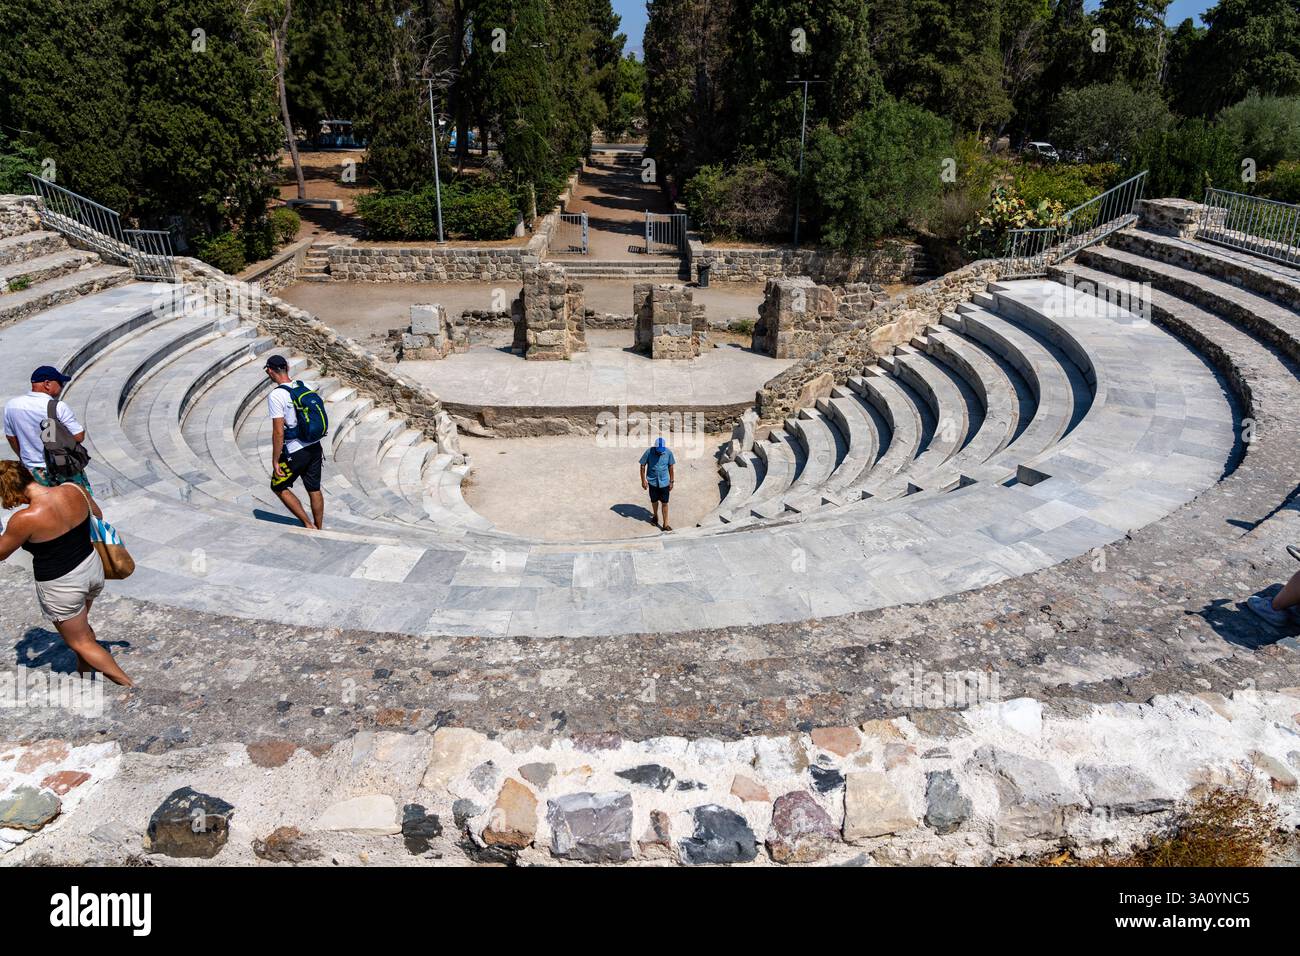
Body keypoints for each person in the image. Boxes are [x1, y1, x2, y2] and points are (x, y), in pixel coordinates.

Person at [0, 460, 132, 686]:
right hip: (91, 568)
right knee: (81, 626)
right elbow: (97, 515)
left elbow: (1, 553)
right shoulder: (74, 489)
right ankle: (84, 671)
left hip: (62, 585)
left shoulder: (24, 519)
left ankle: (128, 685)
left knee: (80, 641)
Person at [3, 366, 93, 494]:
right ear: (47, 384)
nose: (61, 387)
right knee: (81, 504)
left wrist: (24, 458)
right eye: (60, 383)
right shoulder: (57, 407)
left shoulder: (11, 406)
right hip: (61, 467)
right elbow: (78, 436)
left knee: (49, 509)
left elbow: (11, 438)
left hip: (33, 471)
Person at [264, 354, 324, 530]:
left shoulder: (276, 396)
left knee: (278, 486)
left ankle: (308, 524)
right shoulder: (303, 385)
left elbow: (278, 431)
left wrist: (275, 460)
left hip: (295, 450)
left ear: (269, 371)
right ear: (287, 368)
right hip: (314, 445)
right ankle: (319, 528)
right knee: (314, 489)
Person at [639, 436, 676, 532]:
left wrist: (672, 481)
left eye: (661, 450)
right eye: (658, 450)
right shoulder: (649, 452)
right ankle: (655, 516)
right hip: (653, 482)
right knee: (654, 501)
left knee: (665, 503)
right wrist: (643, 480)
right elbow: (642, 465)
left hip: (664, 483)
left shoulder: (668, 452)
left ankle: (665, 524)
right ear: (655, 447)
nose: (660, 452)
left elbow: (671, 467)